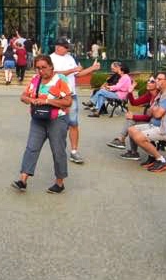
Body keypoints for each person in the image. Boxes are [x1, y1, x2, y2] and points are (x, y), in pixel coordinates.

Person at [11, 55, 73, 194]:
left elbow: (68, 101)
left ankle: (59, 182)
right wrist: (31, 100)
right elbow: (23, 96)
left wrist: (47, 101)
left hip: (57, 119)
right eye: (38, 68)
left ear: (51, 66)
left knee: (58, 151)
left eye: (44, 67)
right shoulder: (35, 80)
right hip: (38, 119)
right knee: (31, 148)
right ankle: (23, 180)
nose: (41, 71)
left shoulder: (60, 80)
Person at [122, 71, 166, 173]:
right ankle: (153, 157)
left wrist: (155, 110)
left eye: (159, 79)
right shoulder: (161, 94)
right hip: (155, 125)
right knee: (131, 130)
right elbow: (149, 113)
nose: (156, 81)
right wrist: (155, 109)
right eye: (156, 79)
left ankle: (162, 160)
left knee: (138, 137)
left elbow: (156, 114)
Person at [49, 37, 100, 165]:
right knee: (56, 124)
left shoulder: (70, 58)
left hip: (71, 95)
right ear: (58, 47)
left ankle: (74, 151)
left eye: (68, 48)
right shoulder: (50, 58)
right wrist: (73, 70)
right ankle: (57, 149)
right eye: (66, 47)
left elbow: (77, 74)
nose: (68, 49)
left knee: (73, 123)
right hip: (56, 96)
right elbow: (53, 74)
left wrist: (92, 69)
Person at [105, 76, 158, 149]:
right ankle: (123, 142)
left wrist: (134, 117)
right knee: (130, 121)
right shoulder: (149, 94)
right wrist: (130, 92)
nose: (148, 82)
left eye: (152, 81)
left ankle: (124, 143)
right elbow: (134, 103)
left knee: (131, 122)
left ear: (158, 84)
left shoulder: (159, 97)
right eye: (148, 80)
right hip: (151, 120)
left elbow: (150, 117)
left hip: (156, 123)